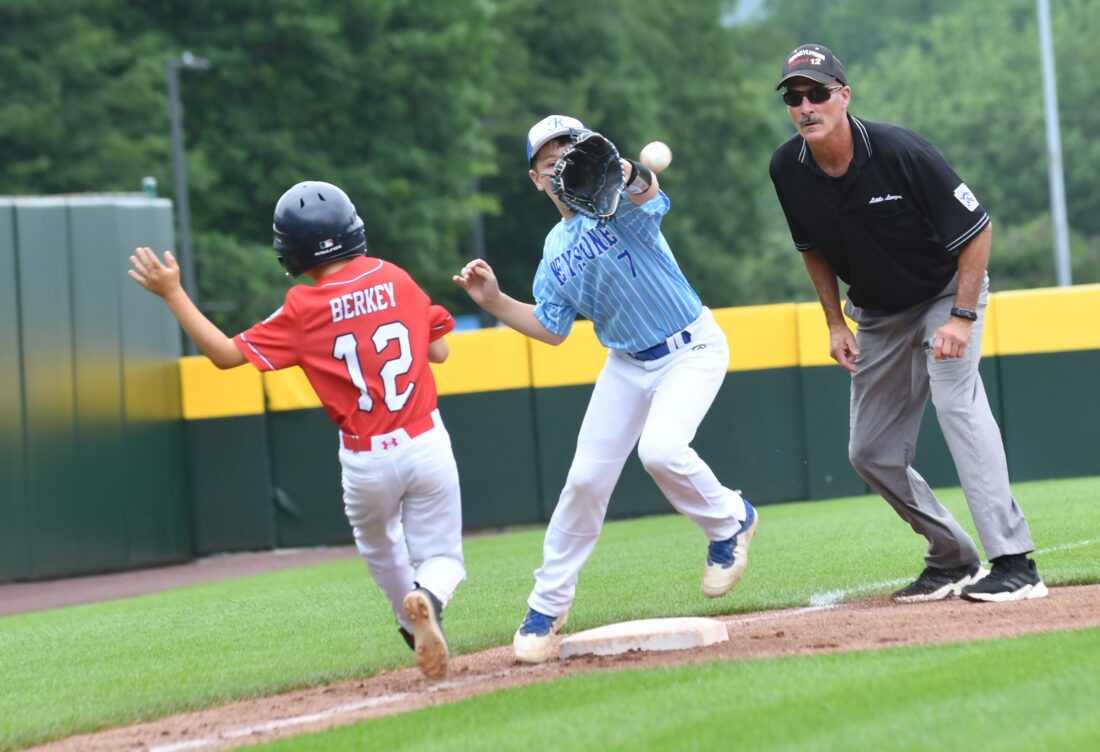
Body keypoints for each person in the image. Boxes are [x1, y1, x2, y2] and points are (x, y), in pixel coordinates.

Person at [128, 181, 466, 678]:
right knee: (442, 557)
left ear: (291, 252)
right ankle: (428, 597)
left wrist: (173, 292)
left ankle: (412, 622)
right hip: (424, 437)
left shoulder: (301, 309)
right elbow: (439, 351)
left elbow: (224, 356)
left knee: (381, 547)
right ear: (354, 230)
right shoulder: (395, 276)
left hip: (365, 459)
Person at [454, 115, 757, 664]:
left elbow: (647, 192)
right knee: (585, 481)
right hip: (626, 364)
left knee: (662, 452)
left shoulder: (620, 207)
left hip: (691, 347)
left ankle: (732, 521)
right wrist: (495, 301)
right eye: (551, 162)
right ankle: (545, 609)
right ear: (536, 179)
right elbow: (552, 328)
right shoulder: (552, 252)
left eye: (572, 153)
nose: (563, 165)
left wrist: (625, 171)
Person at [768, 44, 1047, 603]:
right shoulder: (787, 168)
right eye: (795, 97)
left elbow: (978, 230)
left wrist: (963, 318)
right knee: (869, 451)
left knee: (956, 402)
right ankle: (952, 557)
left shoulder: (900, 151)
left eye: (817, 92)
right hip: (876, 313)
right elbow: (812, 250)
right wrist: (834, 324)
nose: (806, 106)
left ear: (844, 96)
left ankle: (1016, 563)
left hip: (946, 292)